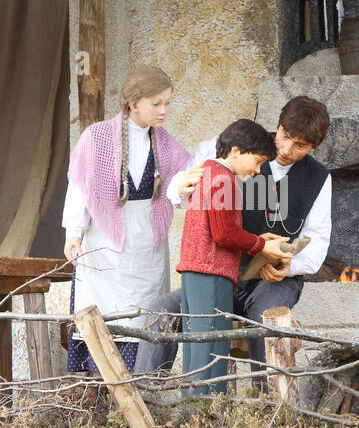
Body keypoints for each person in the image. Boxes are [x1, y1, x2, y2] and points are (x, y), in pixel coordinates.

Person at [135, 96, 333, 377]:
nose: (286, 149)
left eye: (300, 145)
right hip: (222, 273)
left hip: (275, 282)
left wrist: (289, 266)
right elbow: (180, 191)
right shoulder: (243, 143)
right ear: (277, 125)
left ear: (314, 147)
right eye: (284, 136)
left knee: (265, 316)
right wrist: (180, 186)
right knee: (161, 311)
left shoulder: (320, 178)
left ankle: (268, 407)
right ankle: (146, 397)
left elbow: (317, 243)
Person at [63, 65, 192, 373]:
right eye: (156, 103)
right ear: (134, 103)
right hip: (104, 244)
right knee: (105, 318)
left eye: (168, 102)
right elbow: (81, 186)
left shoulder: (164, 142)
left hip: (147, 244)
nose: (164, 110)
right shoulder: (96, 138)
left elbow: (179, 180)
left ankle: (143, 396)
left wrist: (192, 181)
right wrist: (73, 233)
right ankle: (103, 403)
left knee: (145, 315)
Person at [177, 120, 293, 395]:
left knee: (196, 350)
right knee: (212, 353)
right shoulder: (224, 179)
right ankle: (205, 419)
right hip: (212, 273)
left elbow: (220, 229)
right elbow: (225, 234)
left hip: (195, 271)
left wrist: (257, 240)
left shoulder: (207, 172)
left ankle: (188, 417)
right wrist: (261, 245)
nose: (257, 169)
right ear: (237, 151)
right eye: (258, 160)